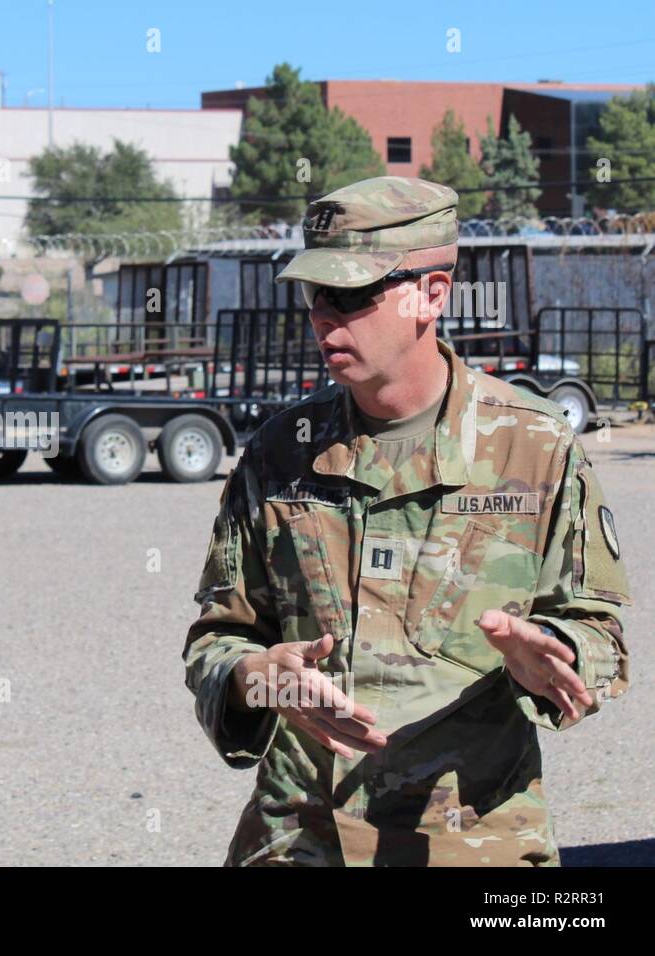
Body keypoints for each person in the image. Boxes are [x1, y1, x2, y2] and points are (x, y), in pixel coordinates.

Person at [183, 177, 631, 867]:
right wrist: (258, 677)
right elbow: (219, 640)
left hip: (466, 842)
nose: (327, 317)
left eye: (356, 294)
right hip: (299, 836)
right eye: (316, 295)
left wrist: (550, 652)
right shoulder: (279, 452)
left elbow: (600, 631)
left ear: (433, 293)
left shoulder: (531, 445)